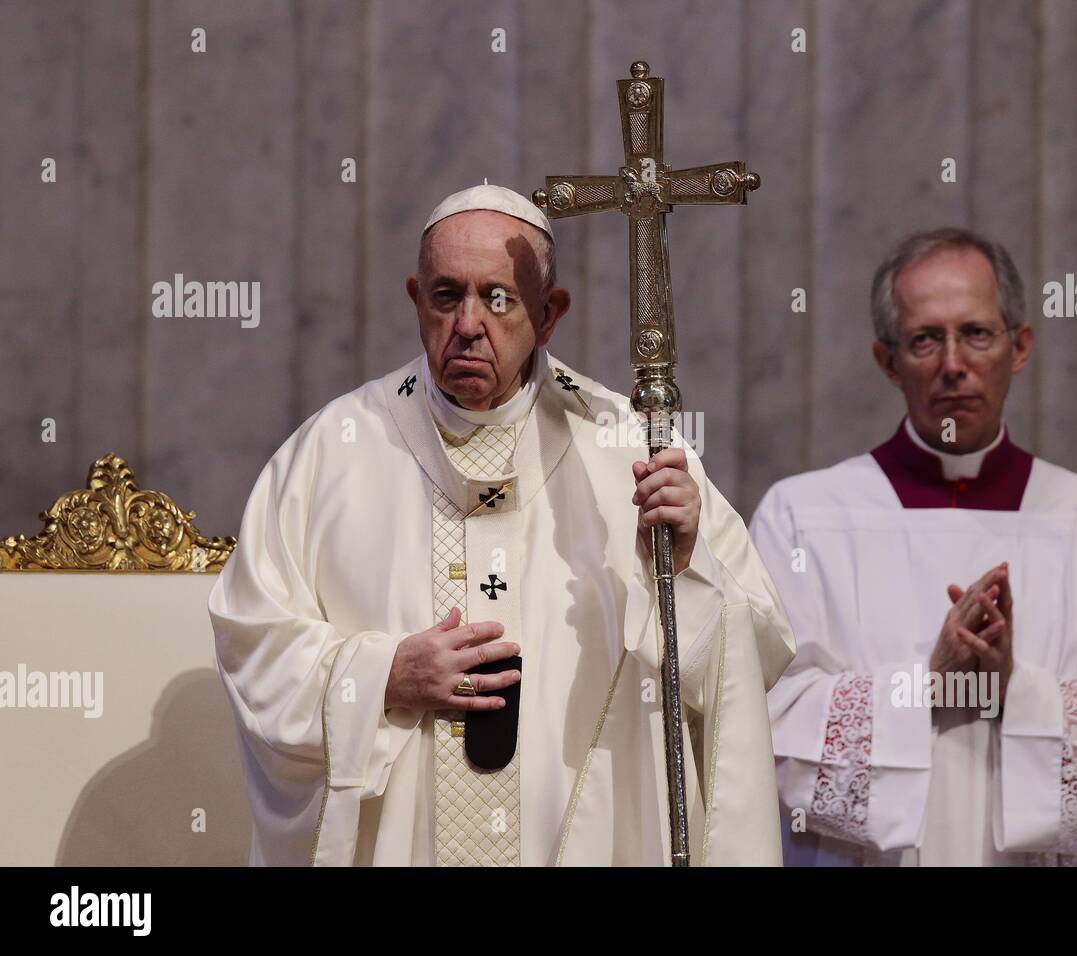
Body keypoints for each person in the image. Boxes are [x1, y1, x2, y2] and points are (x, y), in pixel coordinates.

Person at [210, 183, 795, 866]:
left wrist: (688, 566)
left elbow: (761, 651)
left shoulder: (628, 449)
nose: (467, 323)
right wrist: (381, 674)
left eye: (498, 298)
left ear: (549, 316)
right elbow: (251, 642)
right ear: (414, 298)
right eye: (445, 295)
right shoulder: (331, 451)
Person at [752, 227, 1077, 865]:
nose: (953, 363)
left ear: (1019, 346)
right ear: (887, 361)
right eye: (925, 339)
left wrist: (1016, 692)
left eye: (976, 333)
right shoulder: (801, 516)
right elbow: (756, 714)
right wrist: (926, 685)